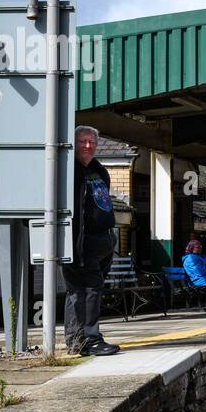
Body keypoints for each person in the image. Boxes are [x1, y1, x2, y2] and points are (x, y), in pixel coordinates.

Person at [62, 125, 120, 356]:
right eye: (83, 141)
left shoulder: (98, 170)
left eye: (92, 142)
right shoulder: (68, 170)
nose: (88, 146)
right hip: (80, 242)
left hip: (103, 242)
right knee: (86, 290)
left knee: (85, 290)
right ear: (73, 143)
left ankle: (79, 340)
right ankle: (88, 339)